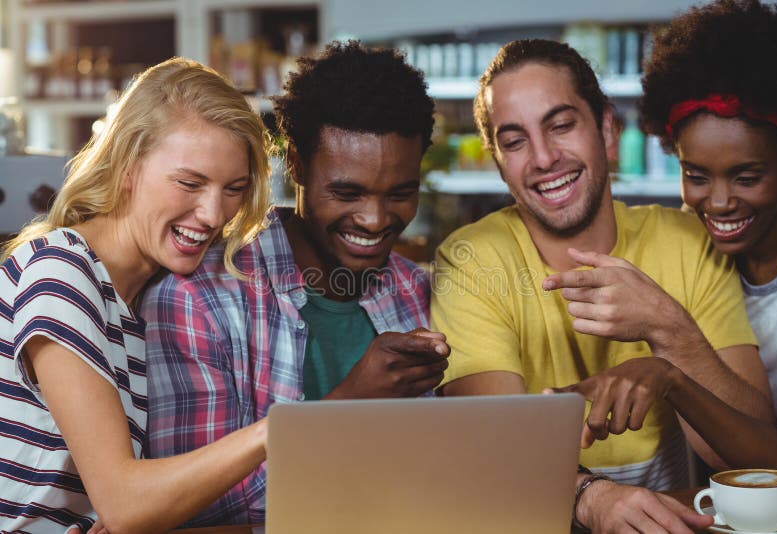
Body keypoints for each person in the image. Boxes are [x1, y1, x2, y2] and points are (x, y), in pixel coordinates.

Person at [430, 37, 774, 533]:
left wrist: (669, 331)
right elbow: (494, 445)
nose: (544, 157)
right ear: (498, 160)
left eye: (561, 125)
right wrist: (590, 496)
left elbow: (754, 461)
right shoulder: (470, 259)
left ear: (607, 128)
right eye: (514, 141)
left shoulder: (687, 241)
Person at [141, 41, 449, 527]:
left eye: (400, 194)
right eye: (347, 193)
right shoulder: (199, 298)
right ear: (297, 166)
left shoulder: (415, 288)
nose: (374, 220)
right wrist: (348, 404)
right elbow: (196, 508)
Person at [0, 57, 273, 533]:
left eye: (234, 189)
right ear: (127, 164)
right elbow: (126, 505)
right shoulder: (61, 270)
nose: (213, 214)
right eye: (190, 183)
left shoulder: (140, 297)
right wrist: (279, 431)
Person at [563, 0, 777, 473]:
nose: (717, 202)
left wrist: (671, 374)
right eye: (696, 174)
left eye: (746, 177)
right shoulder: (688, 251)